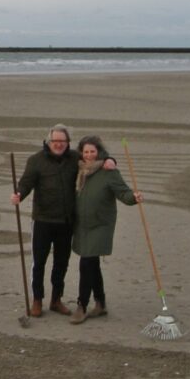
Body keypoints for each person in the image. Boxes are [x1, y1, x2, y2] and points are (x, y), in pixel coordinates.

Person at [11, 125, 114, 318]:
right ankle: (37, 300)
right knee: (39, 263)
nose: (58, 144)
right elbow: (26, 183)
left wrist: (110, 160)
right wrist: (19, 194)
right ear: (48, 142)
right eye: (55, 141)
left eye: (62, 141)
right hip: (42, 220)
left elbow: (96, 156)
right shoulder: (36, 161)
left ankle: (56, 299)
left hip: (66, 222)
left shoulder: (75, 158)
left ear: (67, 143)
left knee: (61, 262)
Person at [69, 134, 138, 324]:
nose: (90, 155)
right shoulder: (79, 170)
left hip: (101, 225)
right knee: (92, 264)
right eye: (86, 152)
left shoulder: (108, 171)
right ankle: (100, 303)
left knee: (86, 262)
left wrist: (133, 197)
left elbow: (123, 192)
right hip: (82, 225)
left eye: (93, 151)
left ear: (99, 152)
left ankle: (81, 306)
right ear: (81, 153)